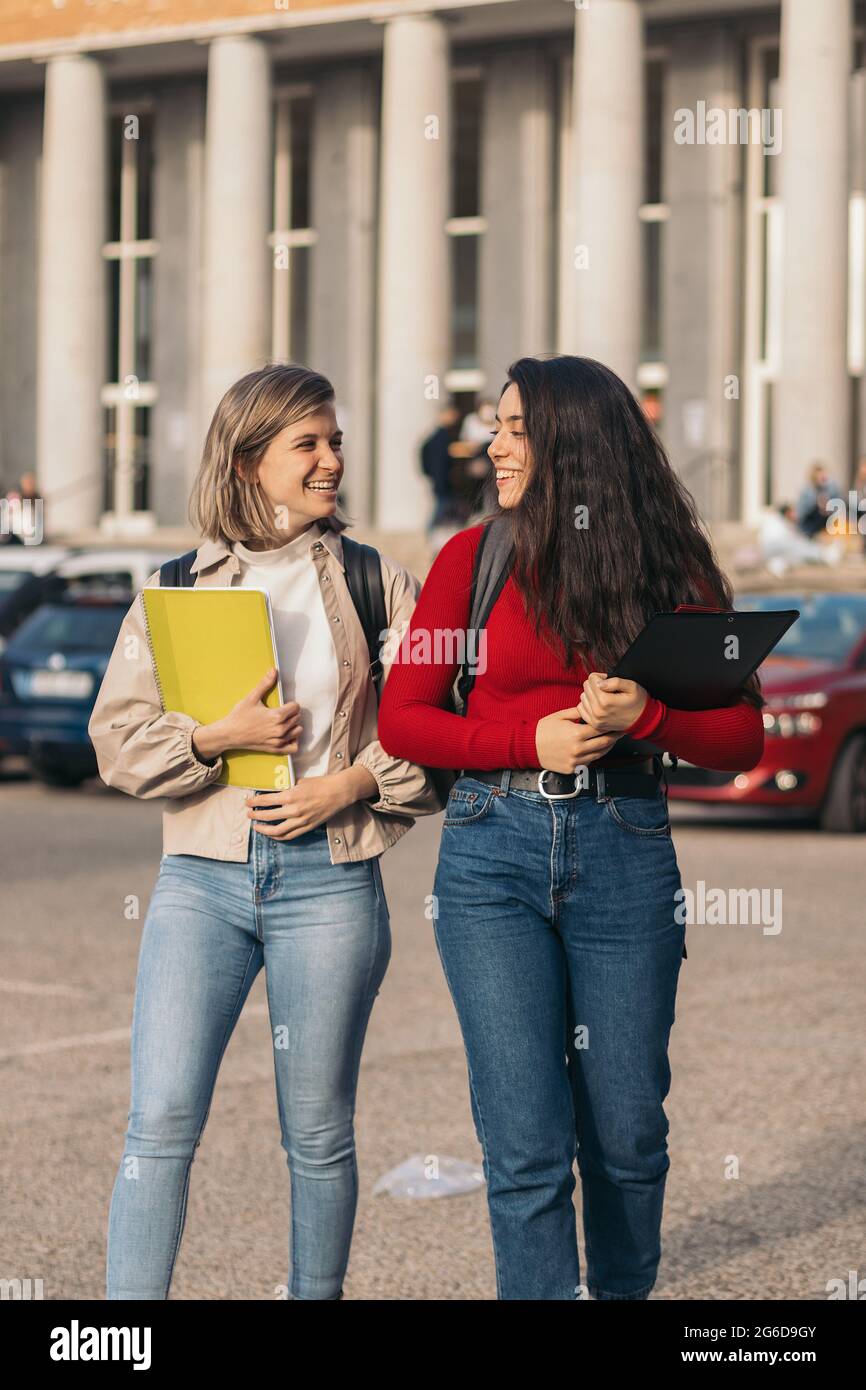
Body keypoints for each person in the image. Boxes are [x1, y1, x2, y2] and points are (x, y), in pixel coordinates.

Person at [377, 354, 765, 1301]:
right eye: (495, 427)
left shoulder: (671, 568)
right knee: (524, 1143)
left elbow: (742, 736)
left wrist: (651, 719)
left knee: (629, 1130)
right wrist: (524, 736)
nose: (494, 444)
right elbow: (405, 719)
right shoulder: (472, 559)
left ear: (573, 441)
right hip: (488, 854)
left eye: (515, 428)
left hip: (625, 851)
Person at [88, 363, 443, 1300]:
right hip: (199, 883)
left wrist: (352, 785)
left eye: (334, 441)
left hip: (329, 883)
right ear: (249, 460)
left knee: (318, 1132)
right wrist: (216, 739)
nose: (331, 460)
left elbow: (436, 739)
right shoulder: (171, 587)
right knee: (158, 1123)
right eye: (308, 444)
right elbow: (115, 740)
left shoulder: (379, 582)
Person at [759, 502, 844, 576]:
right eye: (792, 512)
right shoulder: (780, 522)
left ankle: (778, 564)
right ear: (787, 513)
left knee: (795, 552)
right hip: (778, 545)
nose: (795, 515)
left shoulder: (772, 520)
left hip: (767, 551)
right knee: (800, 548)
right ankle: (825, 555)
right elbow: (795, 540)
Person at [420, 405, 461, 532]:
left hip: (442, 481)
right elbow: (436, 461)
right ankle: (429, 532)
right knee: (440, 509)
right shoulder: (440, 437)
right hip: (442, 482)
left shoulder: (443, 436)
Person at [795, 462, 841, 538]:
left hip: (827, 527)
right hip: (810, 528)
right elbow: (801, 514)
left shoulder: (832, 490)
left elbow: (839, 508)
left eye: (824, 477)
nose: (823, 479)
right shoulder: (807, 492)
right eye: (821, 477)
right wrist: (816, 503)